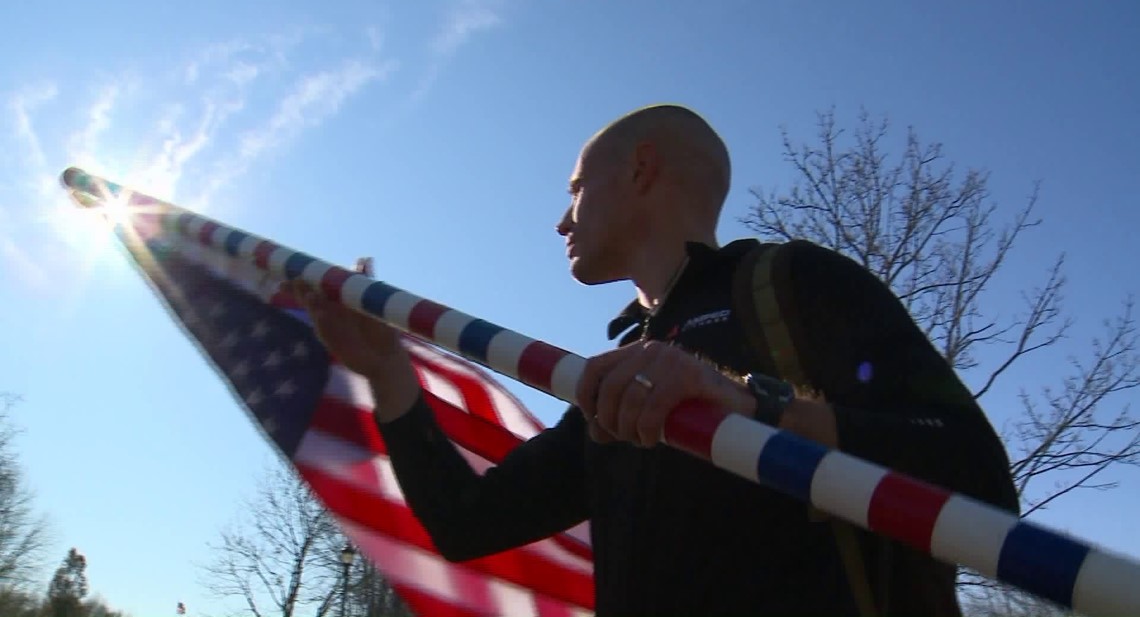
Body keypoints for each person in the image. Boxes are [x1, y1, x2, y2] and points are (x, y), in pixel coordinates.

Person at [291, 104, 1019, 616]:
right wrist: (386, 370)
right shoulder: (619, 377)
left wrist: (751, 406)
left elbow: (977, 480)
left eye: (576, 188)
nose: (562, 217)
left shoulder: (795, 285)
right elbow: (466, 521)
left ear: (641, 169)